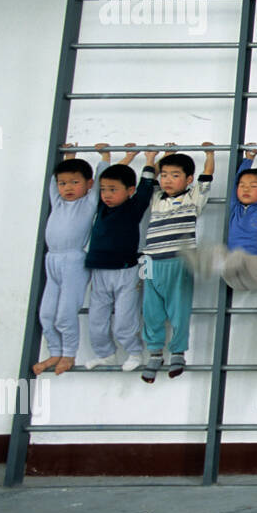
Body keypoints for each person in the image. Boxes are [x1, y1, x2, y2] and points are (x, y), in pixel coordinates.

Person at [140, 143, 215, 381]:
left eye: (175, 176)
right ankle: (154, 353)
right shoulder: (155, 199)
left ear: (188, 179)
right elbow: (147, 181)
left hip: (178, 261)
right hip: (150, 261)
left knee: (179, 310)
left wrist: (210, 155)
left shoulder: (193, 199)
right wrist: (160, 157)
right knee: (150, 311)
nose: (167, 180)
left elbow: (206, 178)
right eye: (164, 175)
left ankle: (177, 352)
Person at [34, 143, 108, 375]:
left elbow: (99, 180)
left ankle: (69, 354)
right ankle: (54, 351)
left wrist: (105, 156)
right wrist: (69, 156)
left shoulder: (87, 203)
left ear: (88, 184)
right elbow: (52, 184)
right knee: (46, 313)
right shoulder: (57, 202)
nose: (67, 188)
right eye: (63, 183)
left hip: (74, 261)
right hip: (52, 260)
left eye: (75, 183)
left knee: (66, 312)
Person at [84, 143, 156, 372]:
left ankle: (134, 352)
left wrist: (150, 158)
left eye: (113, 190)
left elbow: (145, 186)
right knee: (96, 320)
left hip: (126, 271)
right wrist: (126, 157)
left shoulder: (134, 207)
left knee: (125, 320)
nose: (106, 195)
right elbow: (105, 178)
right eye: (104, 190)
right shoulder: (101, 207)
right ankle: (105, 353)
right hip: (100, 271)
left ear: (129, 190)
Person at [184, 144, 257, 291]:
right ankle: (209, 262)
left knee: (236, 256)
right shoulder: (235, 207)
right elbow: (236, 181)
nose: (246, 189)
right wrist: (248, 158)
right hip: (233, 277)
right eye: (242, 186)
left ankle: (217, 262)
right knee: (221, 252)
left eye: (253, 186)